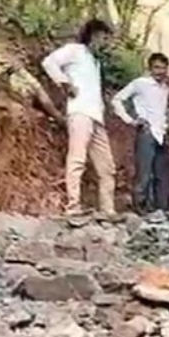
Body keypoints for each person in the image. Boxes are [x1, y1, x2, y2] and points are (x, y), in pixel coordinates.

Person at [42, 19, 117, 216]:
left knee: (107, 166)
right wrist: (65, 83)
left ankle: (108, 210)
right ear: (93, 35)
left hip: (96, 117)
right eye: (104, 37)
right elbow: (49, 62)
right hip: (80, 112)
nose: (106, 42)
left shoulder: (95, 62)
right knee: (77, 159)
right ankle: (73, 206)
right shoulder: (75, 50)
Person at [111, 52, 169, 213]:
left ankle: (162, 209)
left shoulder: (165, 87)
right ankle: (140, 209)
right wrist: (130, 120)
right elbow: (117, 99)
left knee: (163, 174)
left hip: (162, 133)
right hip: (146, 131)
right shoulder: (140, 83)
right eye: (157, 68)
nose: (160, 72)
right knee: (144, 173)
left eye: (163, 68)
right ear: (150, 68)